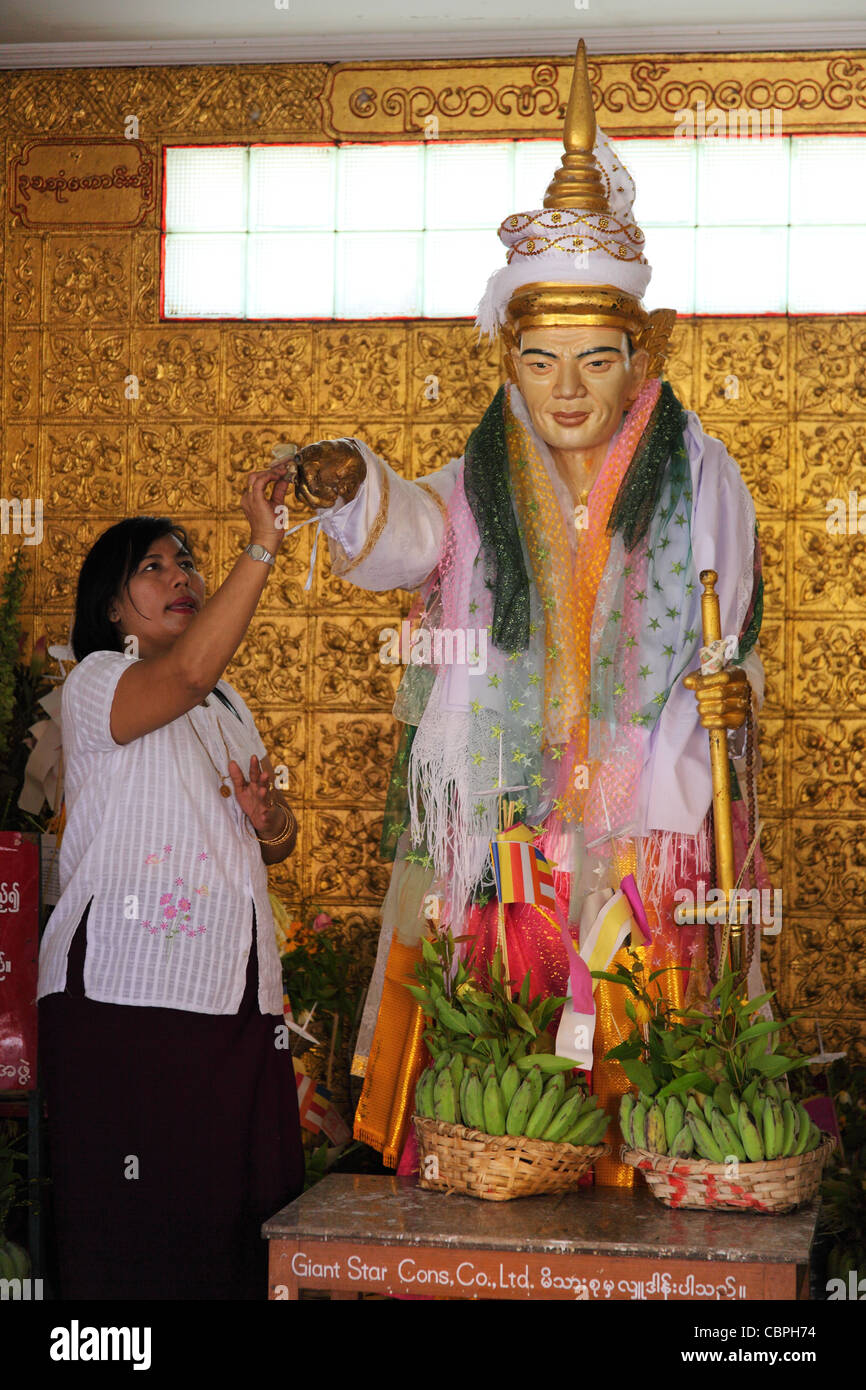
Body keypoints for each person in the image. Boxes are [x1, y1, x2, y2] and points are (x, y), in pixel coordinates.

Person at [281, 41, 770, 1183]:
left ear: (638, 354)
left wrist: (732, 691)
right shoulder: (478, 476)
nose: (564, 391)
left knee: (635, 1045)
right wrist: (356, 480)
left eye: (593, 363)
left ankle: (639, 1207)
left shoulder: (700, 475)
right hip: (505, 812)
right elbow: (411, 535)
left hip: (644, 811)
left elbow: (728, 639)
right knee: (498, 1057)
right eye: (540, 359)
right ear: (508, 354)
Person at [37, 458, 304, 1299]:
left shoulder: (226, 704)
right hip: (130, 993)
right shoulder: (96, 681)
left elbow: (273, 845)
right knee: (137, 1239)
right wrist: (262, 543)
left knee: (235, 1225)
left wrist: (273, 824)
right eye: (152, 567)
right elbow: (183, 672)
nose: (180, 575)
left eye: (185, 560)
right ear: (111, 607)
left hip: (232, 997)